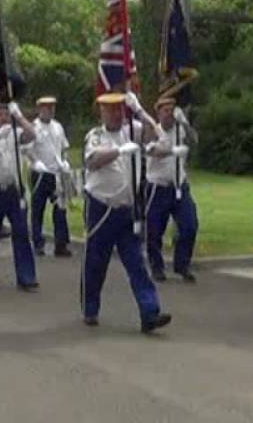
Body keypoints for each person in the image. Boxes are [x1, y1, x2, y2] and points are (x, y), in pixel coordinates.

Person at [80, 91, 171, 332]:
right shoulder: (96, 135)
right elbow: (92, 161)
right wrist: (119, 151)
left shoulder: (133, 129)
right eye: (110, 110)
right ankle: (90, 308)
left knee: (136, 263)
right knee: (95, 263)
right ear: (101, 112)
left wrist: (139, 109)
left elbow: (160, 139)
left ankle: (150, 312)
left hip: (126, 209)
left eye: (120, 109)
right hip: (102, 206)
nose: (116, 114)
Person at [0, 102, 39, 290]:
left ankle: (26, 277)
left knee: (21, 232)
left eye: (6, 114)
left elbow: (32, 135)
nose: (4, 118)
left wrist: (18, 116)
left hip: (14, 190)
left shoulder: (14, 134)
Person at [142, 96, 200, 283]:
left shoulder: (180, 129)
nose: (170, 114)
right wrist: (172, 152)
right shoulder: (153, 130)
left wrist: (185, 122)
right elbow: (152, 151)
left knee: (189, 225)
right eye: (165, 111)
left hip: (179, 185)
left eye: (172, 110)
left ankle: (182, 264)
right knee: (154, 230)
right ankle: (157, 267)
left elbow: (195, 140)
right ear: (158, 113)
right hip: (158, 187)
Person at [25, 96, 73, 258]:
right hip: (40, 172)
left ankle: (61, 243)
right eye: (47, 107)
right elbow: (28, 150)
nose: (50, 110)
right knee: (38, 209)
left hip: (56, 172)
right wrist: (36, 162)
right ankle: (38, 243)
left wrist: (65, 162)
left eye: (52, 107)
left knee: (60, 208)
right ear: (40, 109)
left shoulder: (58, 126)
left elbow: (63, 147)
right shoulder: (33, 127)